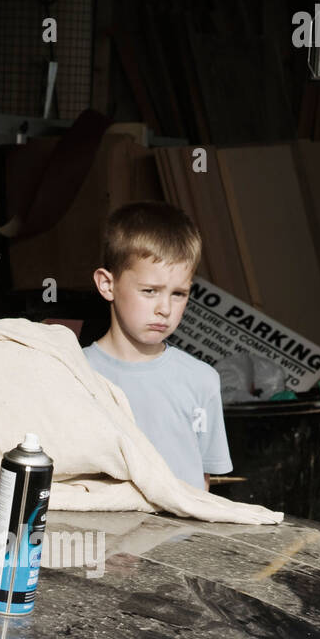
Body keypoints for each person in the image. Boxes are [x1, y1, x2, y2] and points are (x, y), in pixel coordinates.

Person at [83, 201, 232, 491]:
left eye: (179, 294)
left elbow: (202, 482)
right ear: (106, 284)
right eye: (149, 291)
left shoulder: (202, 380)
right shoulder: (77, 374)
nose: (164, 308)